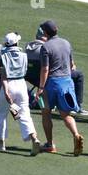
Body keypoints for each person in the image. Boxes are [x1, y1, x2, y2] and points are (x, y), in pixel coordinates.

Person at [36, 20, 85, 156]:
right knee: (66, 115)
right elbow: (72, 65)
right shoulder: (66, 43)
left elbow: (45, 69)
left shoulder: (45, 47)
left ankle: (50, 144)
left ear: (45, 32)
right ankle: (76, 134)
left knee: (46, 113)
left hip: (52, 83)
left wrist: (40, 87)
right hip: (67, 83)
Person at [0, 31, 39, 154]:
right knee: (24, 114)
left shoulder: (3, 56)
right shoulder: (24, 55)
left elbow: (4, 77)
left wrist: (6, 92)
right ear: (16, 42)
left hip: (9, 86)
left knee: (2, 114)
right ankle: (34, 138)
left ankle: (1, 143)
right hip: (22, 86)